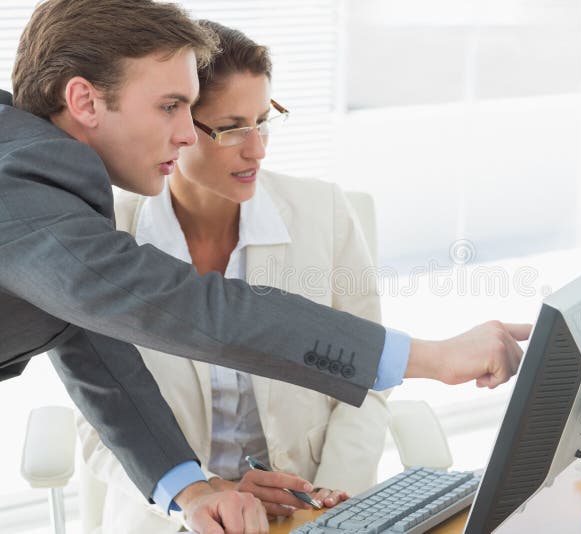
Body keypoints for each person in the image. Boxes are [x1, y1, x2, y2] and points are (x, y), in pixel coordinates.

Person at [0, 1, 530, 532]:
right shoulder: (26, 188)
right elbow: (196, 311)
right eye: (169, 106)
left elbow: (97, 356)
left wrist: (193, 490)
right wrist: (435, 357)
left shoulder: (45, 180)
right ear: (84, 100)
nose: (186, 134)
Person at [77, 20, 391, 533]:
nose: (257, 150)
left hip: (312, 508)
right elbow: (98, 424)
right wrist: (201, 493)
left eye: (263, 121)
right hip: (175, 517)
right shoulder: (105, 236)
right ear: (175, 126)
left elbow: (370, 380)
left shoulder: (323, 213)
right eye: (231, 128)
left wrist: (331, 502)